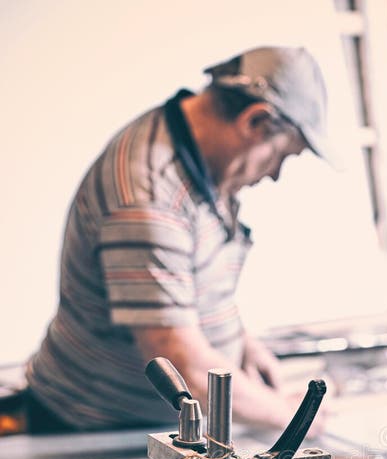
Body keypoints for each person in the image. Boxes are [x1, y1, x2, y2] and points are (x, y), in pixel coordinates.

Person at [25, 46, 336, 433]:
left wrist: (242, 343)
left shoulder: (197, 155)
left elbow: (189, 282)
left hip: (148, 422)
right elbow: (179, 361)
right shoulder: (148, 196)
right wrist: (292, 416)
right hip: (98, 427)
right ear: (255, 121)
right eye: (282, 156)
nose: (274, 175)